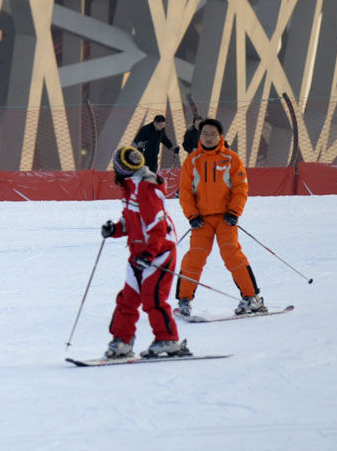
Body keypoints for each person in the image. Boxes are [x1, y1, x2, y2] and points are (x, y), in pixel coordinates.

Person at [101, 145, 187, 358]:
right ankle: (122, 341)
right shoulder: (131, 186)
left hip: (159, 253)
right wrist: (115, 229)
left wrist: (149, 254)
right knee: (126, 300)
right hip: (139, 254)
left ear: (120, 168)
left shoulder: (146, 189)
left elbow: (156, 227)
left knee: (153, 299)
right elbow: (132, 220)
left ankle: (168, 340)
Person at [175, 117, 266, 316]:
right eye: (205, 134)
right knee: (194, 258)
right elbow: (185, 192)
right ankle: (184, 301)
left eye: (212, 134)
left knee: (232, 255)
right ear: (200, 136)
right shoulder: (192, 161)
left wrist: (234, 212)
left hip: (226, 218)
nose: (208, 137)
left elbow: (241, 188)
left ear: (220, 137)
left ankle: (252, 299)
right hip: (201, 220)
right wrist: (192, 216)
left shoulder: (232, 159)